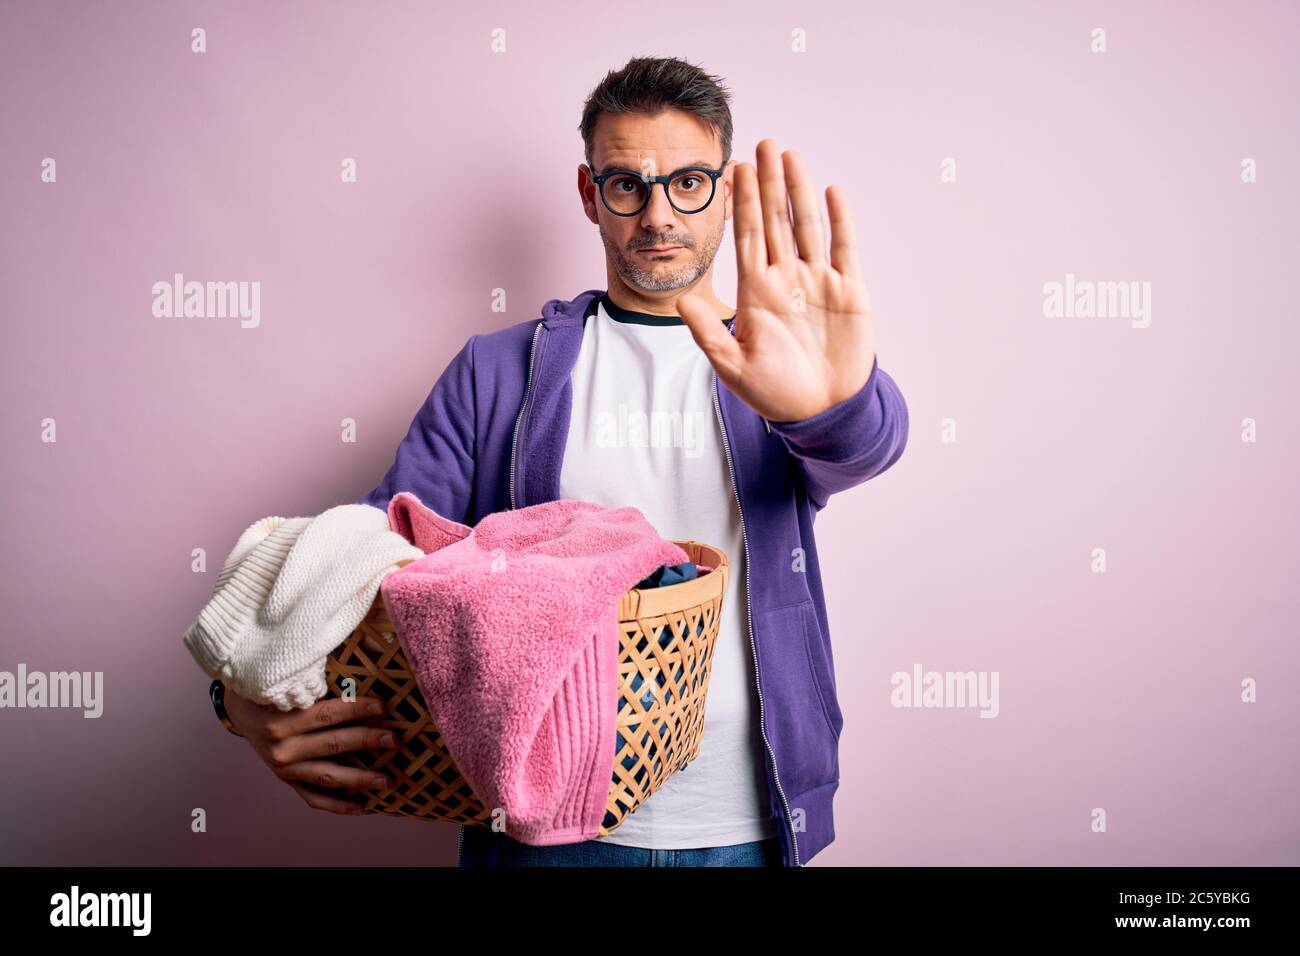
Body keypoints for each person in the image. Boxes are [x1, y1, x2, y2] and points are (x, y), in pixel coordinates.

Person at [216, 55, 909, 868]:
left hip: (744, 823)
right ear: (590, 195)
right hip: (544, 826)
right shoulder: (494, 372)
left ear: (723, 189)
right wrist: (240, 692)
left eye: (688, 182)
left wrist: (829, 398)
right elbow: (364, 557)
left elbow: (865, 447)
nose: (658, 215)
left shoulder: (775, 365)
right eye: (627, 185)